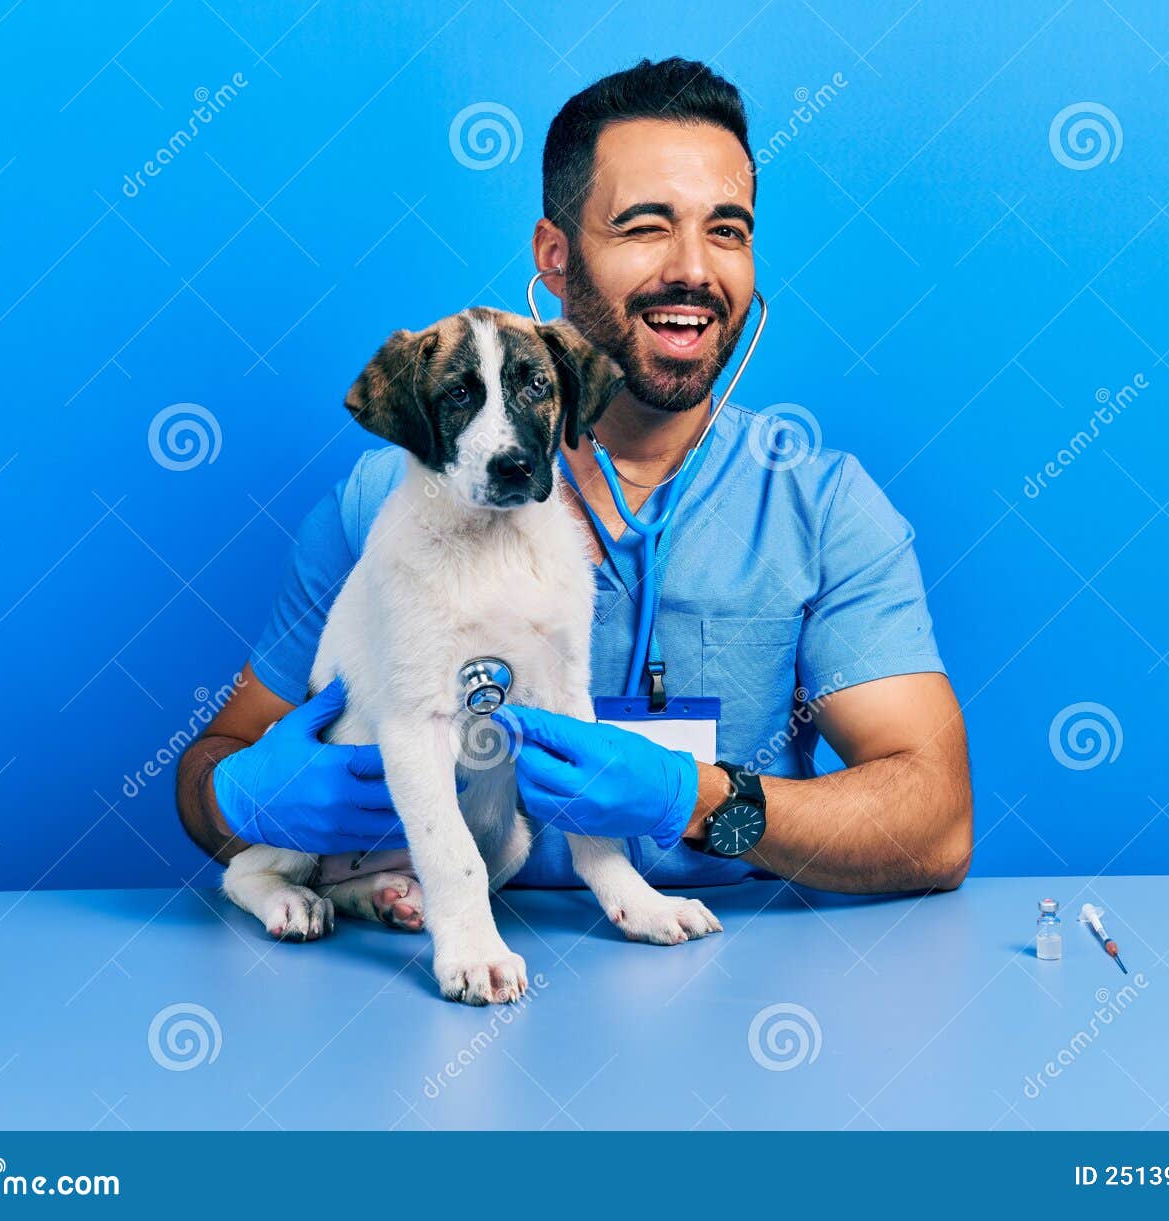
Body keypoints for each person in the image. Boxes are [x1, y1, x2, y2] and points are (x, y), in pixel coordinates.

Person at [177, 57, 971, 896]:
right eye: (646, 226)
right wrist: (243, 799)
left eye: (727, 231)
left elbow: (937, 824)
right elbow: (214, 770)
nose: (693, 269)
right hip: (442, 937)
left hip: (714, 953)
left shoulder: (818, 507)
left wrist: (700, 802)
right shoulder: (385, 504)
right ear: (555, 258)